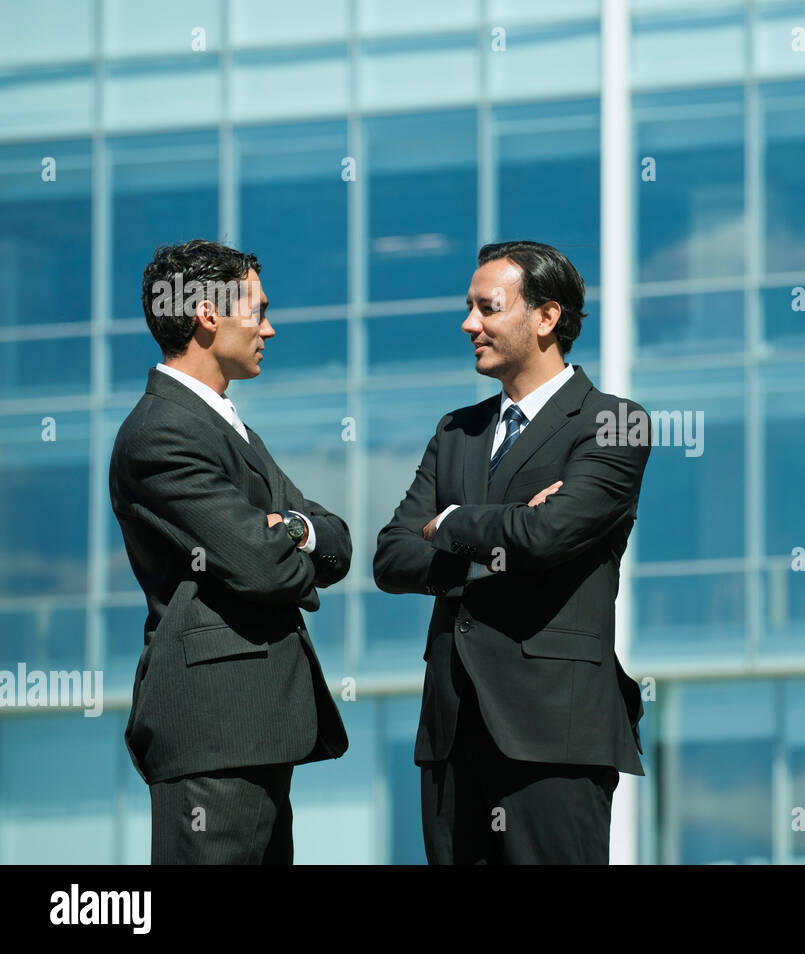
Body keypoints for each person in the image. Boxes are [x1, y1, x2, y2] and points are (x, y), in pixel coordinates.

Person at [374, 240, 650, 864]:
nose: (468, 324)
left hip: (554, 730)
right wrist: (503, 534)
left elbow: (548, 535)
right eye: (469, 307)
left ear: (547, 317)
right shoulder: (455, 431)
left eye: (487, 308)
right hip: (451, 731)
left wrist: (449, 521)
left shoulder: (615, 422)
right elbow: (391, 558)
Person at [109, 239, 350, 864]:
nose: (269, 328)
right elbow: (260, 564)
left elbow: (336, 540)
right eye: (258, 310)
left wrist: (288, 526)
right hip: (215, 732)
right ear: (208, 315)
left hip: (254, 728)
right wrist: (289, 535)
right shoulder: (160, 432)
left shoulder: (222, 425)